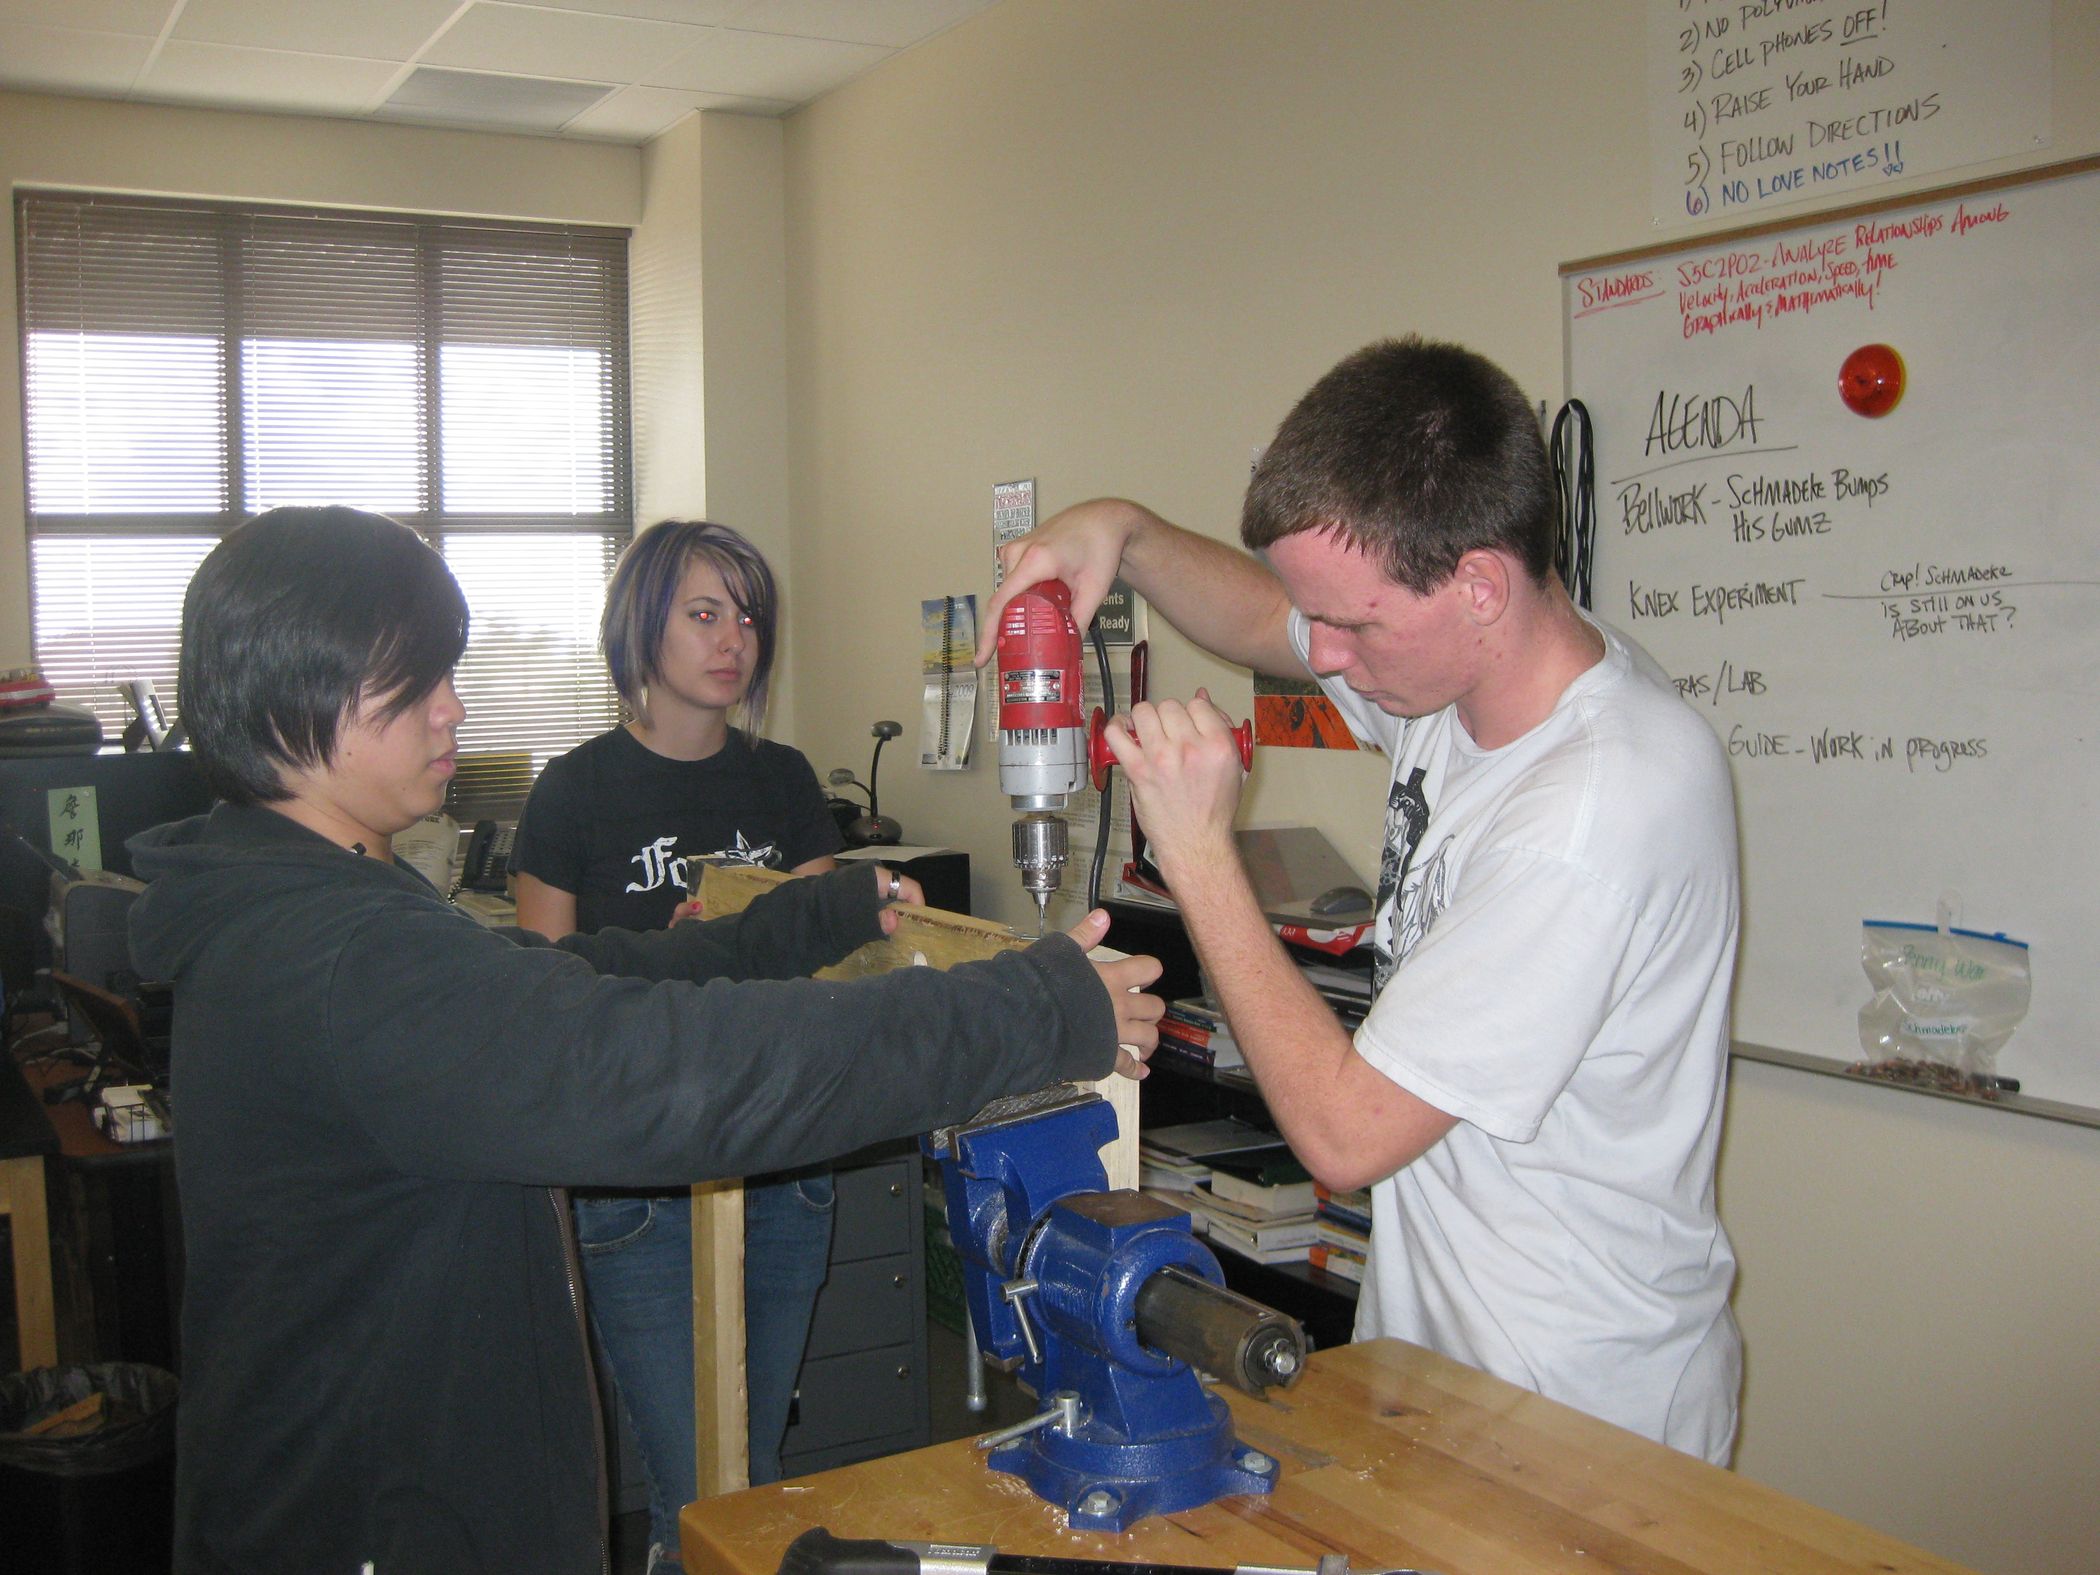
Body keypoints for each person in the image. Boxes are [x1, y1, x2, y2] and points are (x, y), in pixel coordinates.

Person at [129, 505, 1162, 1574]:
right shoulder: (341, 957)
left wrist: (800, 923)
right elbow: (680, 1072)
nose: (453, 711)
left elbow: (567, 981)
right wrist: (1037, 1011)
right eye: (418, 682)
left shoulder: (301, 905)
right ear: (309, 693)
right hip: (375, 1525)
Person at [979, 337, 1743, 1464]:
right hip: (1436, 1363)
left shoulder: (1597, 810)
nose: (1324, 657)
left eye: (1355, 625)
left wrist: (1198, 856)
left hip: (1578, 1406)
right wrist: (1125, 534)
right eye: (1320, 616)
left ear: (1479, 582)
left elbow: (1343, 1135)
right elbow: (1263, 620)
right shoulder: (1467, 678)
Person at [510, 520, 841, 1563]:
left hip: (783, 1155)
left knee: (754, 1478)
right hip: (642, 1180)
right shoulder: (574, 793)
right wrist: (669, 952)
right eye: (704, 613)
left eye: (746, 616)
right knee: (698, 1489)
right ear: (640, 625)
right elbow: (542, 1001)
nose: (732, 638)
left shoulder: (784, 780)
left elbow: (828, 954)